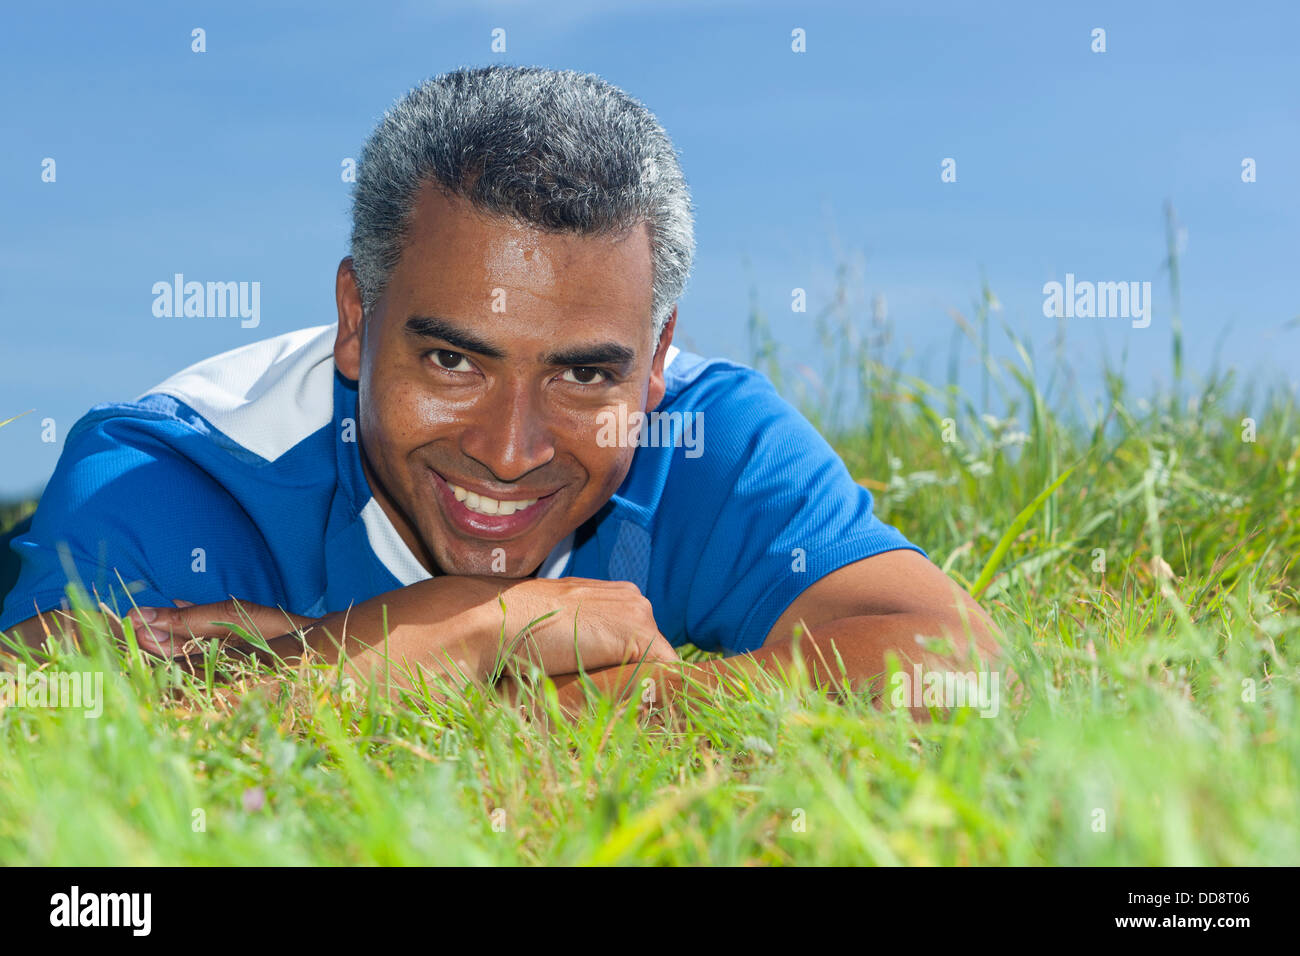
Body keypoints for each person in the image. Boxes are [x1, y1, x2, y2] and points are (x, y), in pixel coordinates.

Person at [0, 65, 1003, 718]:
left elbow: (966, 668)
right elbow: (38, 728)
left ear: (655, 364)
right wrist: (437, 640)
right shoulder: (173, 471)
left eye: (584, 373)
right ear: (356, 320)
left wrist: (587, 697)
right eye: (452, 361)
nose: (512, 447)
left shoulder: (707, 437)